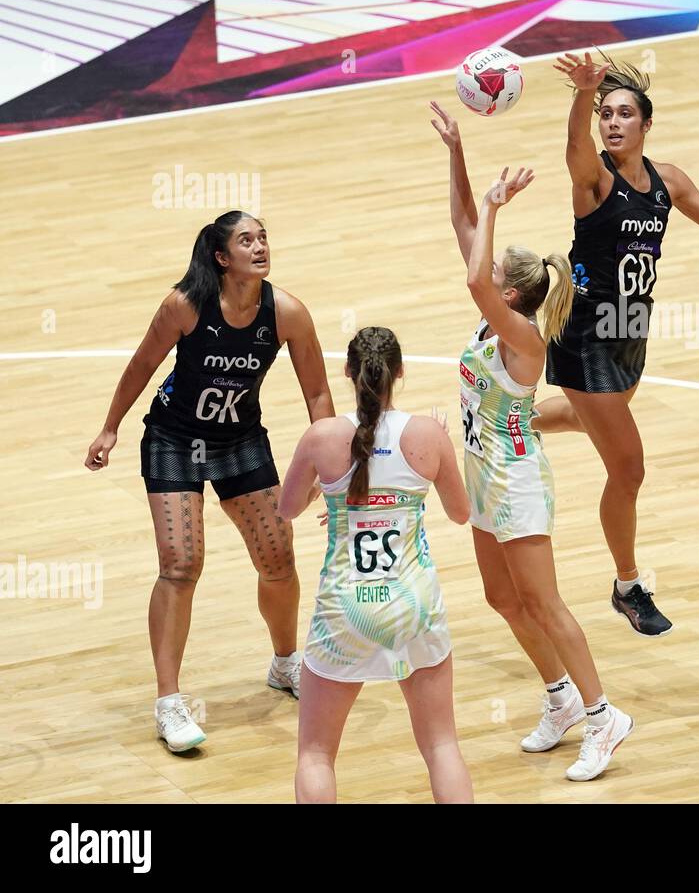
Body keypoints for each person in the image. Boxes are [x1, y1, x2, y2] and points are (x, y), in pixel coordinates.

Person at [534, 51, 699, 636]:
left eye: (622, 113)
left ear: (645, 124)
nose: (611, 122)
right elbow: (573, 151)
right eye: (605, 113)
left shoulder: (669, 181)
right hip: (586, 333)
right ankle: (628, 586)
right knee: (628, 469)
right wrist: (582, 95)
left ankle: (509, 419)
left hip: (631, 332)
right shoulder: (595, 180)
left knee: (590, 420)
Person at [431, 100, 634, 780]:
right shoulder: (498, 320)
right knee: (502, 599)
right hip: (486, 477)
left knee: (545, 603)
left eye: (493, 279)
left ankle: (606, 717)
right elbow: (464, 230)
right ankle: (562, 700)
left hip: (517, 480)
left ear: (511, 297)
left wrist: (495, 208)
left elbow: (472, 265)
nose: (481, 277)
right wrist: (458, 152)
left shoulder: (522, 338)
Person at [85, 211, 333, 753]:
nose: (260, 246)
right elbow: (141, 364)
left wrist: (326, 461)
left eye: (264, 236)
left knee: (279, 560)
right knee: (181, 564)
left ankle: (285, 662)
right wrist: (110, 427)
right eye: (247, 240)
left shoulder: (287, 312)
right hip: (174, 439)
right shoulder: (185, 305)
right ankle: (169, 703)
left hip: (239, 441)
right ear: (222, 258)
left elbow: (317, 393)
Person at [278, 326, 474, 802]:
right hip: (413, 605)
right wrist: (441, 451)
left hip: (345, 607)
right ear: (399, 373)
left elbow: (286, 509)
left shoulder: (321, 436)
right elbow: (460, 512)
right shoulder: (427, 435)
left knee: (316, 755)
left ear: (348, 374)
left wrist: (336, 492)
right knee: (442, 744)